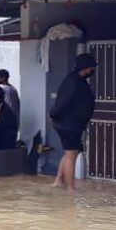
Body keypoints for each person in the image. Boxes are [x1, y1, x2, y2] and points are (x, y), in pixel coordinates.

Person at [49, 53, 97, 191]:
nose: (92, 71)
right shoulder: (73, 81)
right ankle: (70, 188)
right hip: (68, 124)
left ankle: (59, 181)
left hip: (70, 123)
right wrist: (53, 114)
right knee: (71, 155)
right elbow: (63, 101)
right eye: (91, 68)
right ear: (86, 68)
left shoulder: (77, 80)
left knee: (69, 153)